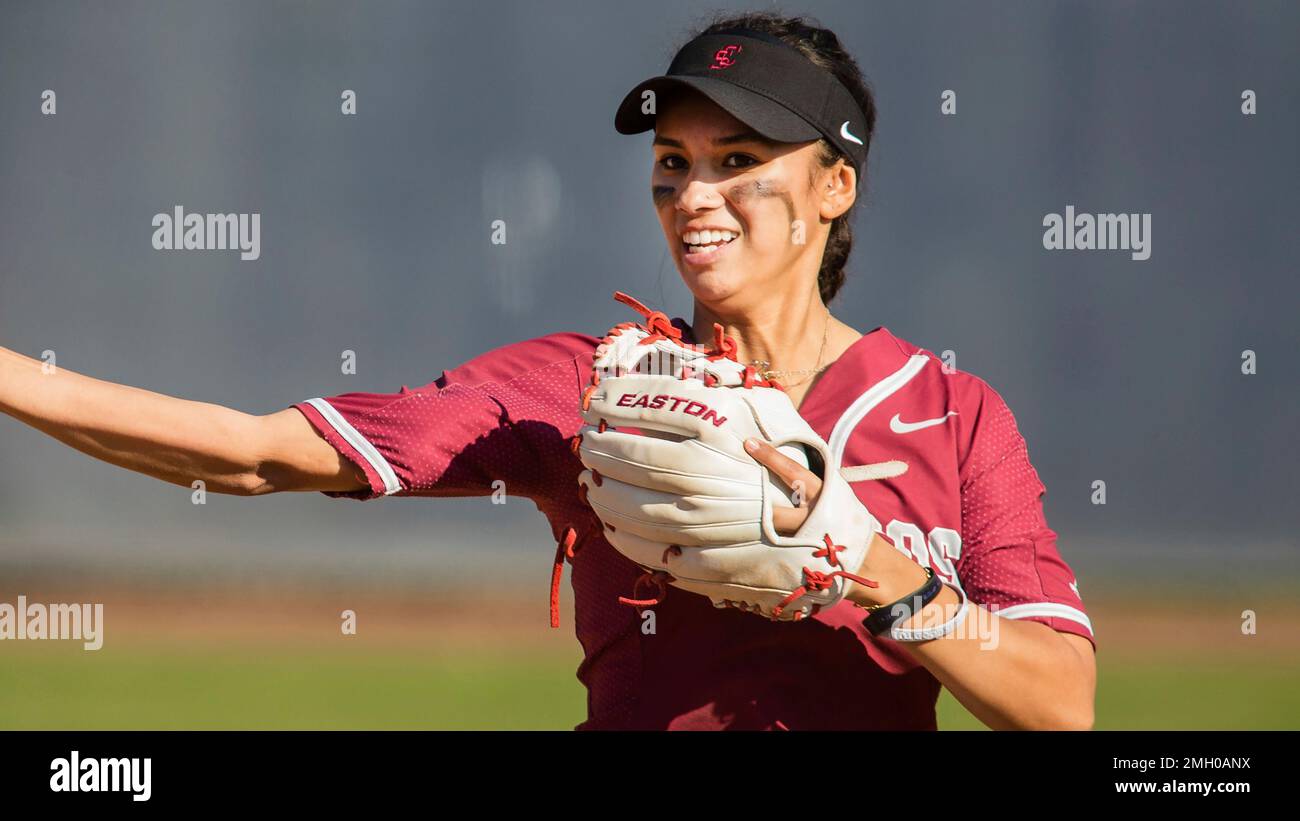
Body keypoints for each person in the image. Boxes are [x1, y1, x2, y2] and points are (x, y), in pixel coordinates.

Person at [0, 11, 1095, 730]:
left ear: (834, 188)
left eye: (740, 162)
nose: (693, 194)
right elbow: (253, 455)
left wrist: (876, 571)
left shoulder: (950, 412)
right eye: (673, 164)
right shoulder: (594, 386)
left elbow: (1060, 705)